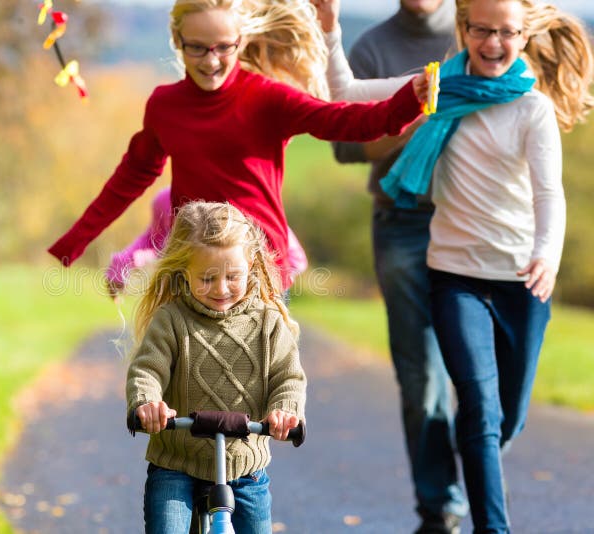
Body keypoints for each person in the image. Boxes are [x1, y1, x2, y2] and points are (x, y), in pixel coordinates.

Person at [381, 0, 593, 530]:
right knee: (479, 407)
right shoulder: (436, 92)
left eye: (506, 33)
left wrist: (547, 253)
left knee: (504, 418)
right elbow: (348, 92)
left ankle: (475, 443)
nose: (494, 43)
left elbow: (549, 194)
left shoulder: (532, 108)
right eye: (482, 30)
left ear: (522, 36)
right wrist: (329, 35)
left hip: (523, 280)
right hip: (455, 279)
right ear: (464, 28)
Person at [47, 0, 429, 289]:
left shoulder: (268, 99)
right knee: (185, 369)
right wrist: (76, 239)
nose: (211, 61)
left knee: (260, 372)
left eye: (223, 48)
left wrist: (409, 99)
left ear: (240, 42)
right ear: (178, 42)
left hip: (261, 271)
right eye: (198, 48)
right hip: (194, 268)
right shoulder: (165, 106)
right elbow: (130, 177)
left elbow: (348, 122)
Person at [326, 1, 469, 531]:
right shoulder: (373, 48)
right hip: (403, 222)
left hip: (475, 223)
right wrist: (410, 122)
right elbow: (345, 145)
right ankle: (440, 508)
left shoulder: (479, 34)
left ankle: (479, 478)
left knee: (481, 372)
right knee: (422, 377)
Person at [125, 201, 306, 533]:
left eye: (232, 276)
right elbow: (147, 370)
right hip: (176, 462)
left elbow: (288, 376)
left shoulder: (268, 323)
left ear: (251, 265)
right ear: (184, 271)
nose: (221, 288)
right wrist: (147, 402)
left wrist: (285, 410)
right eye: (207, 278)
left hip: (246, 467)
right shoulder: (172, 320)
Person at [106, 186, 309, 297]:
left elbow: (294, 257)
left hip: (261, 291)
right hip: (190, 293)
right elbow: (153, 240)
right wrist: (121, 266)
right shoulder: (166, 201)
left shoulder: (244, 198)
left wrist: (264, 284)